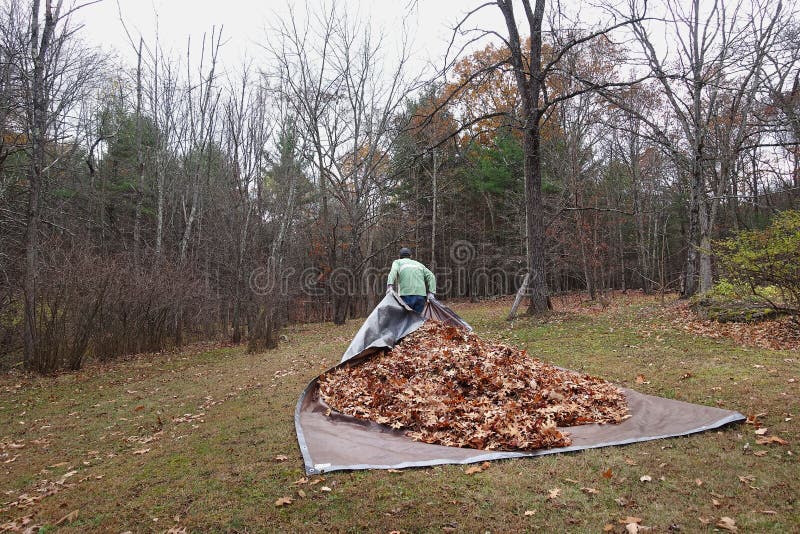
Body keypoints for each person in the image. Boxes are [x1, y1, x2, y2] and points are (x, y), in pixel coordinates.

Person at [386, 247, 436, 314]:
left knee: (405, 319)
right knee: (417, 320)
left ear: (399, 256)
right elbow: (431, 276)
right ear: (410, 256)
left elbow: (393, 272)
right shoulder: (419, 264)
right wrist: (431, 293)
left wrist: (390, 285)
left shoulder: (398, 262)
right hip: (421, 296)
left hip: (405, 295)